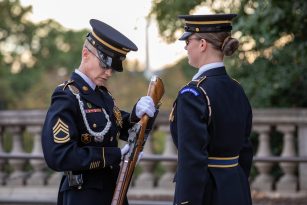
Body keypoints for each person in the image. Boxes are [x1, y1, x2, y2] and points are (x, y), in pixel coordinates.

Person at [41, 19, 156, 205]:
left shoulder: (102, 94)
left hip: (112, 191)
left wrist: (138, 114)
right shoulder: (66, 96)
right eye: (105, 65)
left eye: (112, 68)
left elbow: (118, 127)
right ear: (85, 54)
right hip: (83, 195)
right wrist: (116, 155)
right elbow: (59, 155)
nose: (109, 73)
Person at [169, 14, 253, 205]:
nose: (185, 46)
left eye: (188, 40)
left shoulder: (193, 93)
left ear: (202, 44)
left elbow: (191, 161)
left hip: (207, 194)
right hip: (237, 189)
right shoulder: (236, 88)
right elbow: (245, 149)